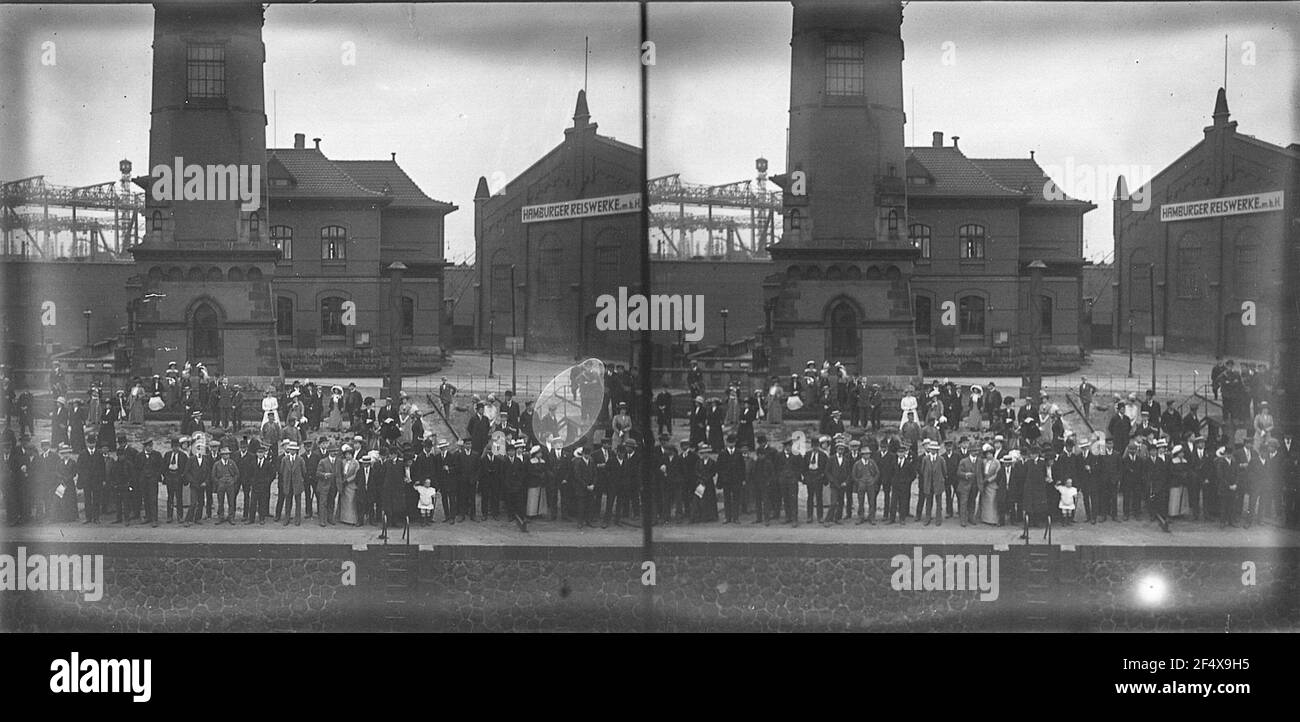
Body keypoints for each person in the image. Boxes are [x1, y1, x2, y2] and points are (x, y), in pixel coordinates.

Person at [278, 441, 306, 527]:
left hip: (297, 484)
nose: (292, 451)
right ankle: (287, 518)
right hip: (288, 483)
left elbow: (304, 471)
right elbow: (281, 471)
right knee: (288, 501)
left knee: (298, 502)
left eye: (294, 450)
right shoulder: (284, 459)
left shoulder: (300, 459)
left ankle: (297, 518)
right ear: (289, 450)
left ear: (297, 450)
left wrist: (300, 480)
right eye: (291, 449)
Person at [162, 436, 189, 523]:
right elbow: (164, 466)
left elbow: (186, 468)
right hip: (170, 476)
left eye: (177, 446)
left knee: (179, 497)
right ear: (171, 447)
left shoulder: (183, 456)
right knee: (170, 497)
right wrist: (166, 476)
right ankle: (169, 516)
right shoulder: (167, 455)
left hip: (178, 477)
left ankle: (180, 516)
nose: (175, 448)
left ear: (179, 446)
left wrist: (182, 476)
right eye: (173, 446)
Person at [212, 445, 241, 524]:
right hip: (221, 485)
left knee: (231, 501)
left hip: (230, 485)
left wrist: (233, 481)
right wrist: (218, 482)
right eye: (224, 454)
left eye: (227, 454)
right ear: (221, 455)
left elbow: (237, 474)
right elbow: (213, 475)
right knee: (220, 502)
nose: (226, 456)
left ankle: (231, 517)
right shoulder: (217, 464)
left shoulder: (232, 463)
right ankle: (220, 517)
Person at [137, 438, 162, 527]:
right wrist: (141, 477)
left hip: (153, 481)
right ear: (145, 447)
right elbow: (138, 469)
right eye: (148, 446)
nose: (150, 448)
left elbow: (160, 467)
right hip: (144, 481)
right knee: (146, 499)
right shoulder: (139, 456)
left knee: (153, 499)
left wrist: (155, 476)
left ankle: (154, 519)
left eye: (151, 446)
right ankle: (148, 517)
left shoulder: (157, 455)